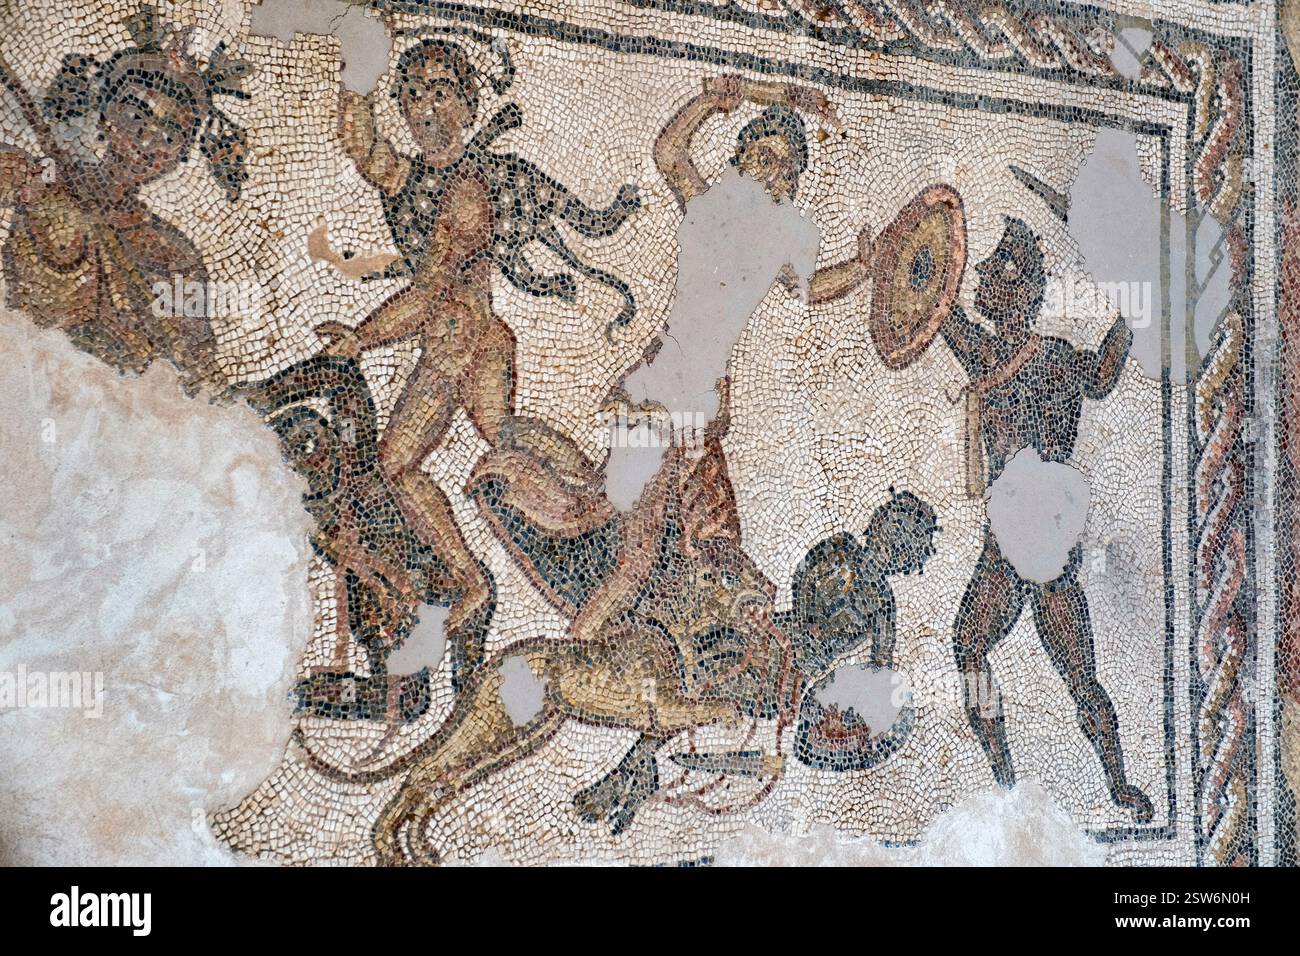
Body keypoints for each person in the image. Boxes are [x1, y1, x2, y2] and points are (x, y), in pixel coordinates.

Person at [314, 36, 641, 677]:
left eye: (440, 90)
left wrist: (363, 336)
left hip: (461, 342)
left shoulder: (469, 188)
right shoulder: (410, 179)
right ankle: (598, 492)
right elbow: (362, 145)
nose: (424, 107)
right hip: (461, 339)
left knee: (399, 462)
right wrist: (360, 55)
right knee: (505, 440)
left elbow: (435, 289)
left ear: (467, 101)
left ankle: (476, 578)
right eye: (411, 94)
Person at [939, 216, 1153, 822]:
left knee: (1079, 677)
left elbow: (1104, 375)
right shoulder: (985, 353)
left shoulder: (1051, 360)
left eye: (994, 271)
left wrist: (1133, 304)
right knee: (969, 647)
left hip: (1046, 546)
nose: (979, 278)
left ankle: (1116, 784)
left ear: (1019, 290)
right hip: (1005, 545)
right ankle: (1006, 779)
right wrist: (890, 258)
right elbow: (932, 304)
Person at [0, 6, 249, 394]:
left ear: (179, 158)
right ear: (105, 116)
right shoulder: (41, 180)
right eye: (136, 116)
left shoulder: (176, 255)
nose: (147, 142)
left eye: (169, 137)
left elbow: (198, 374)